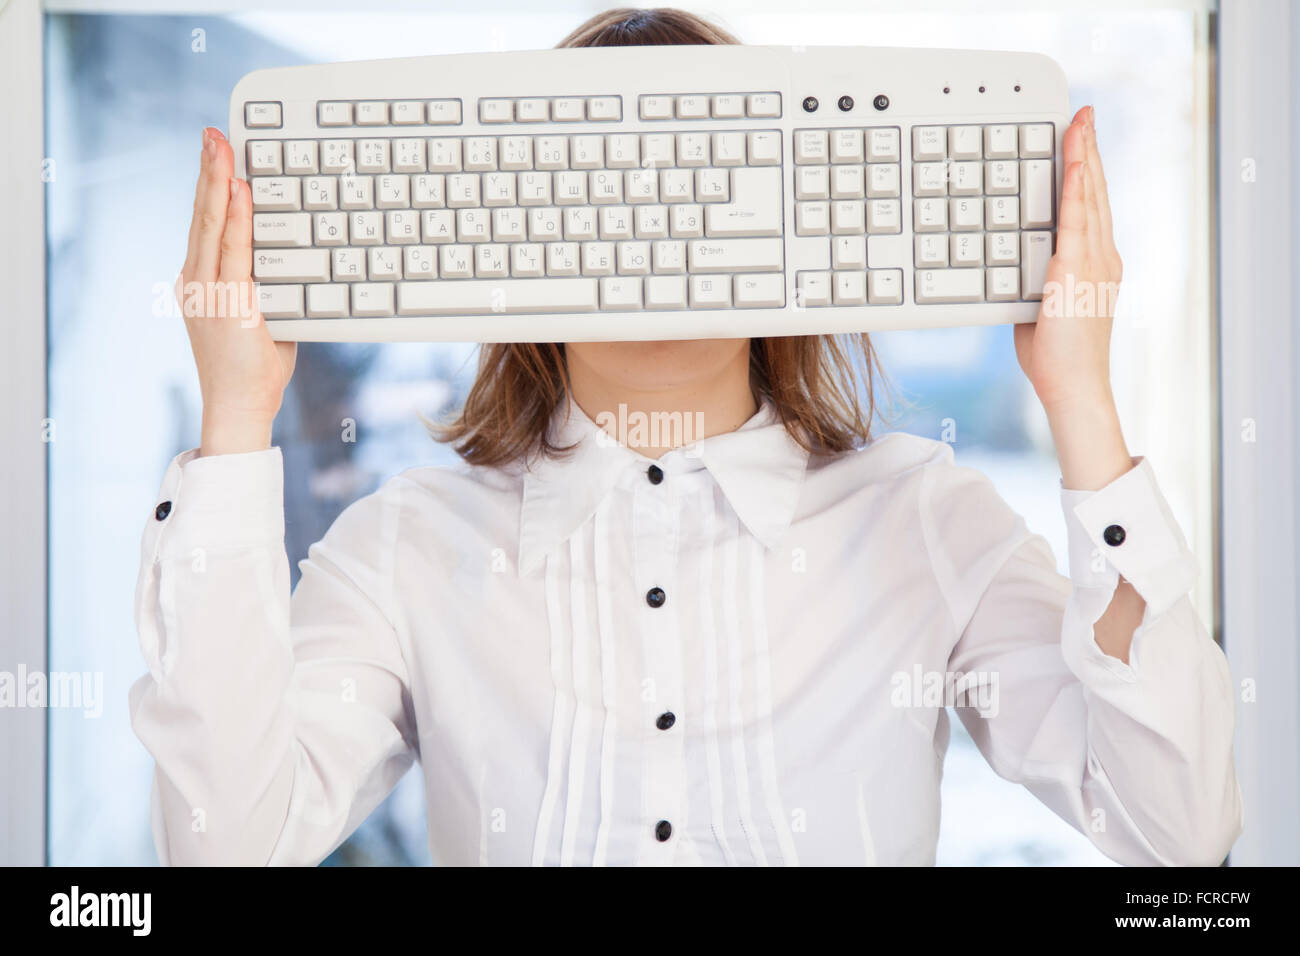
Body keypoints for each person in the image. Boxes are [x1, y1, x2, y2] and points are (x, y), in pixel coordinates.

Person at [131, 7, 1242, 866]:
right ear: (511, 240)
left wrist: (1083, 411)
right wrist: (233, 425)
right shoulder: (407, 544)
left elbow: (1177, 831)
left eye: (703, 185)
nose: (651, 230)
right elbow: (225, 840)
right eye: (597, 190)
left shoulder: (924, 513)